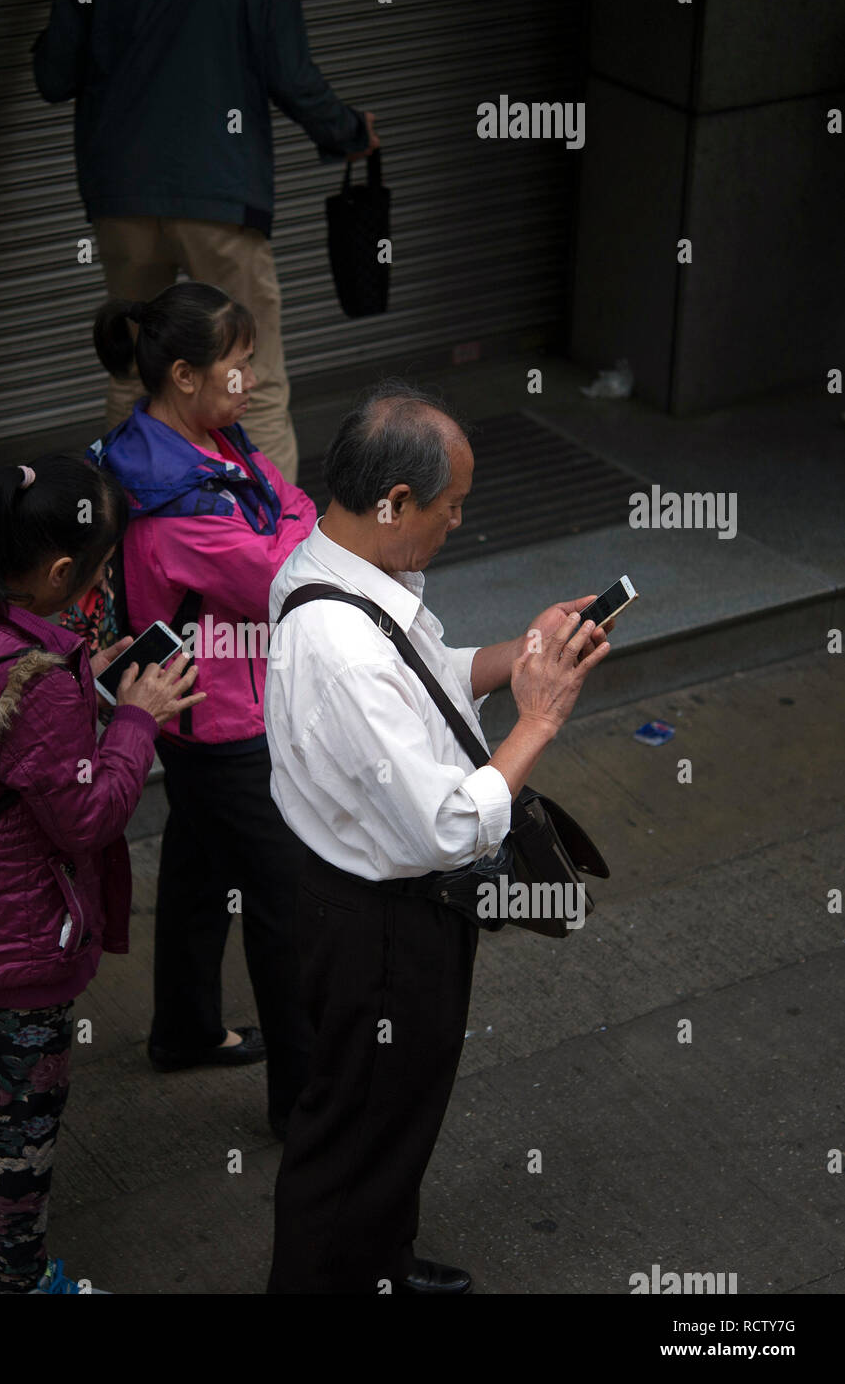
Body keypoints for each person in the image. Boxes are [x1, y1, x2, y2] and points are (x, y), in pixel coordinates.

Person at [263, 379, 613, 1294]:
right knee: (357, 1127)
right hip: (381, 921)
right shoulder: (337, 646)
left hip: (386, 907)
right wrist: (536, 719)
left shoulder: (339, 572)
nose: (459, 522)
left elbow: (429, 684)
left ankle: (378, 1263)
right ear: (395, 502)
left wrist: (520, 656)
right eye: (451, 505)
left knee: (397, 1113)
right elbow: (449, 822)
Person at [0, 456, 202, 1296]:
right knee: (20, 1121)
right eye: (98, 572)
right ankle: (18, 1283)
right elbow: (88, 817)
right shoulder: (46, 690)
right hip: (23, 945)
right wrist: (135, 719)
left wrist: (80, 680)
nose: (100, 587)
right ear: (61, 572)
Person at [91, 280, 316, 1140]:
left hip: (190, 715)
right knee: (283, 908)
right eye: (236, 365)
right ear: (183, 374)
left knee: (195, 869)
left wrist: (287, 527)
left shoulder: (185, 445)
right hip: (224, 723)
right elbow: (276, 580)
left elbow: (285, 503)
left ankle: (184, 1028)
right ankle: (303, 1111)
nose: (250, 380)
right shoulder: (175, 501)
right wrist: (295, 535)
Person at [32, 0, 380, 484]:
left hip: (122, 191)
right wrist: (347, 132)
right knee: (250, 379)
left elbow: (54, 76)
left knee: (134, 370)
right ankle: (271, 548)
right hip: (220, 190)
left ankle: (118, 535)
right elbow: (291, 75)